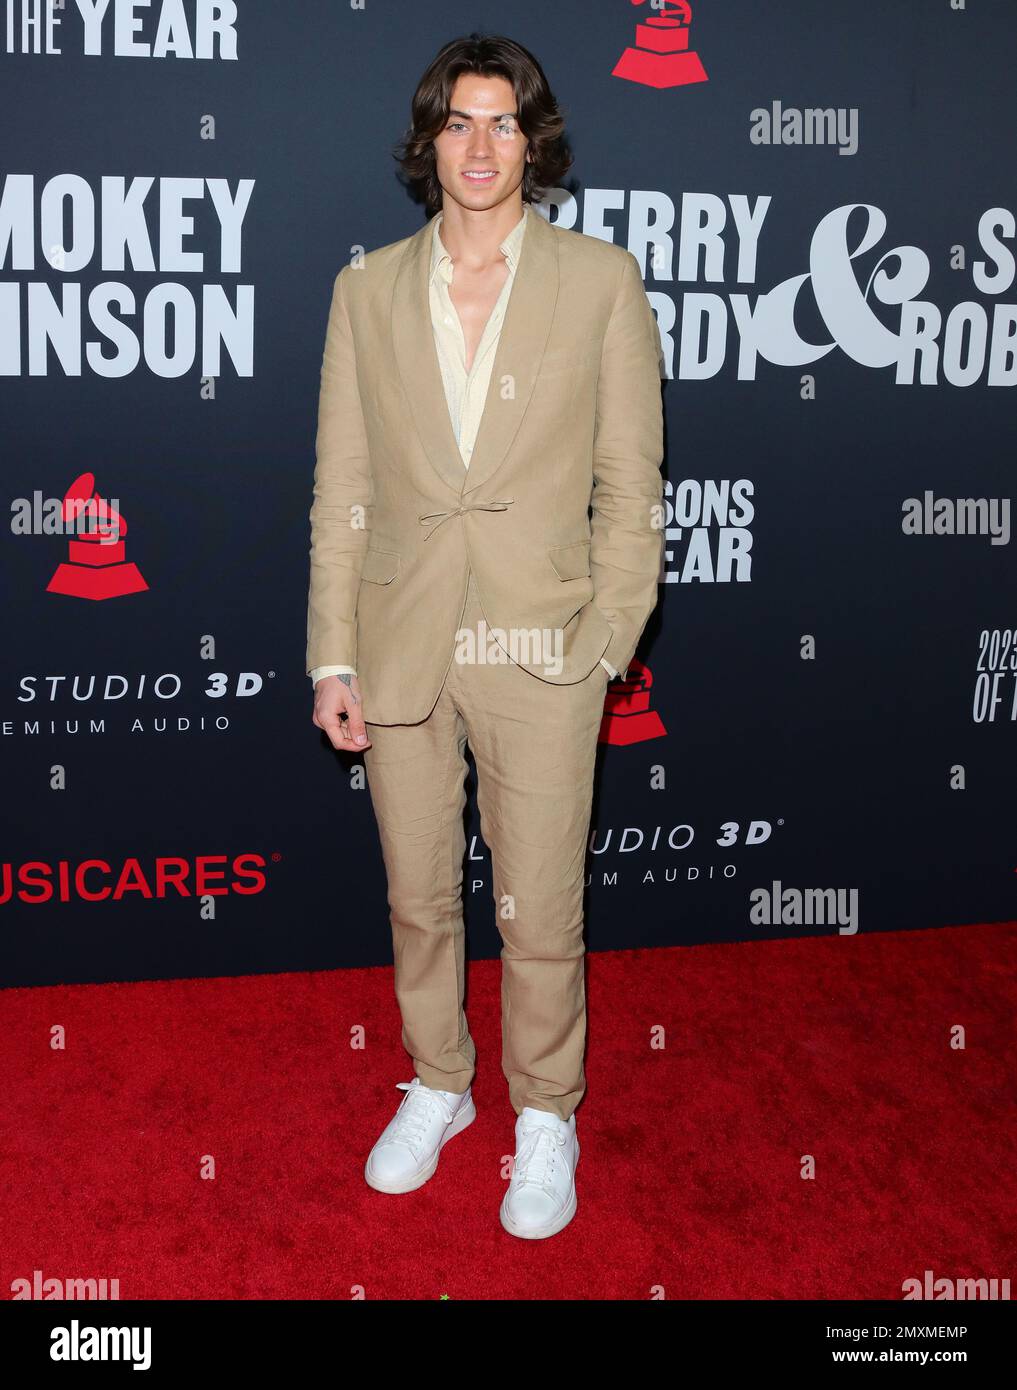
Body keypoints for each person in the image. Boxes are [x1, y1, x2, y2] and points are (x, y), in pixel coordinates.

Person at [306, 33, 664, 1240]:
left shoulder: (600, 282)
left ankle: (546, 1113)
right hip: (400, 639)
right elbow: (340, 484)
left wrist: (608, 633)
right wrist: (331, 655)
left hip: (544, 643)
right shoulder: (364, 292)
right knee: (419, 897)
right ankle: (442, 1082)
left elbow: (632, 482)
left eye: (504, 121)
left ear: (535, 140)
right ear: (430, 140)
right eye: (460, 120)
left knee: (541, 907)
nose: (481, 143)